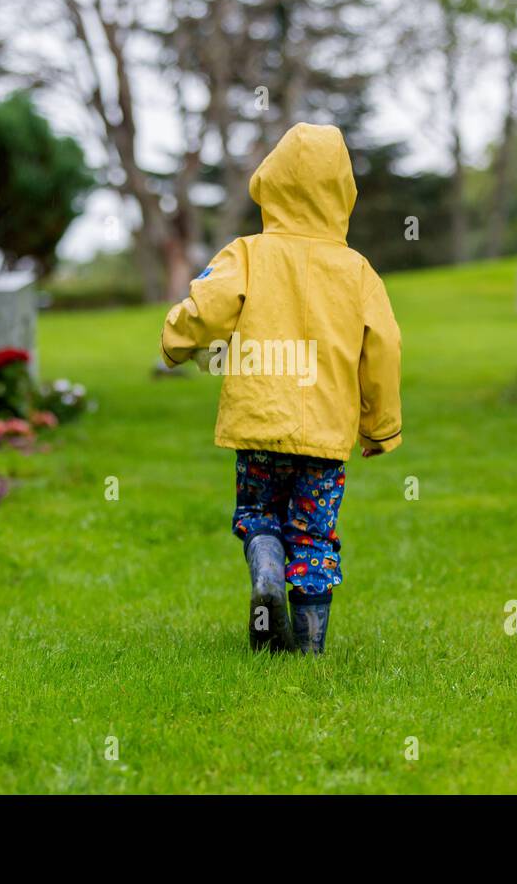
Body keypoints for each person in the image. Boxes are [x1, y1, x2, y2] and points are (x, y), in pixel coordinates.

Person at [160, 122, 402, 654]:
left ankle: (266, 572)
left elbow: (207, 308)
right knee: (314, 533)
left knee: (258, 515)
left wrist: (175, 340)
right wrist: (380, 426)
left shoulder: (246, 254)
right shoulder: (359, 272)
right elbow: (382, 349)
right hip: (324, 434)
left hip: (258, 421)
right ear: (344, 194)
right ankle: (310, 649)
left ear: (269, 183)